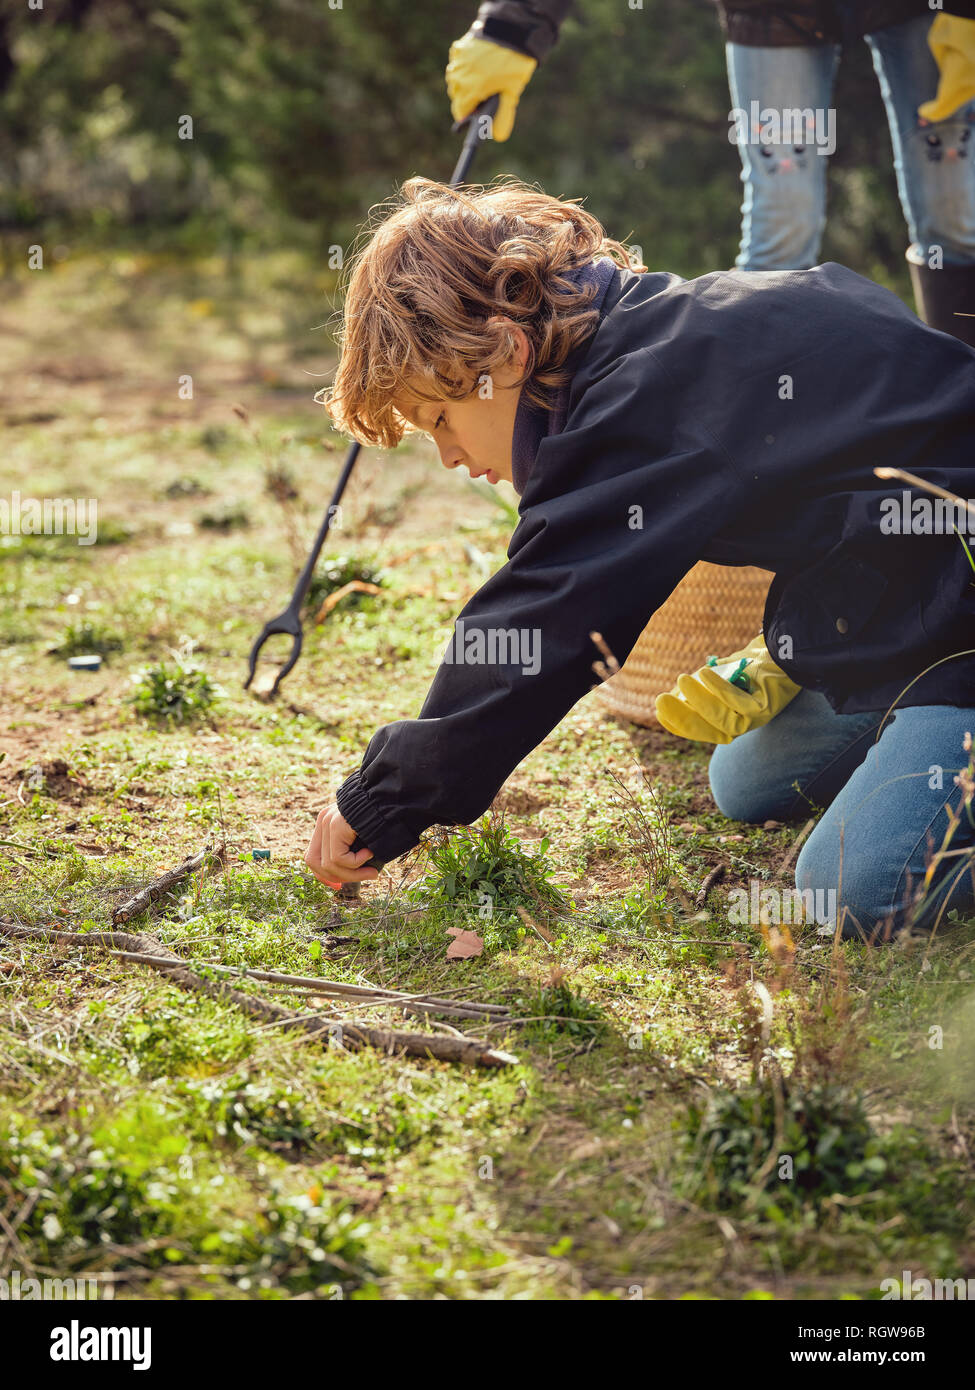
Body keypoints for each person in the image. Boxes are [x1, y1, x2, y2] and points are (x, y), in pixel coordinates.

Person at [305, 176, 975, 940]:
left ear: (506, 350)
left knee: (857, 889)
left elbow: (549, 617)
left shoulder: (644, 399)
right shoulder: (661, 337)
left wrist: (383, 800)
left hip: (963, 613)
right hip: (919, 601)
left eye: (440, 418)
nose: (450, 454)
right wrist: (803, 641)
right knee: (746, 781)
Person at [445, 2, 975, 344]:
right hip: (775, 11)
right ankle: (762, 440)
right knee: (781, 222)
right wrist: (510, 26)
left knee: (954, 211)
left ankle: (962, 412)